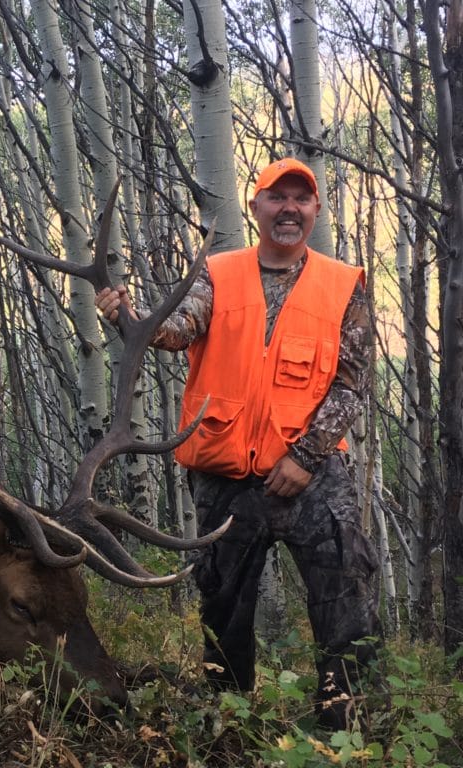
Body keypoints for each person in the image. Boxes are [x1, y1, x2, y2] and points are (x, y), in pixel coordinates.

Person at [96, 158, 382, 730]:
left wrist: (304, 458)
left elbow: (353, 384)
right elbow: (176, 330)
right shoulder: (217, 274)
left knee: (347, 597)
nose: (289, 209)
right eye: (278, 198)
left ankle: (345, 726)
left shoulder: (343, 284)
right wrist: (127, 317)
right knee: (223, 607)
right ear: (256, 207)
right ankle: (230, 726)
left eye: (302, 199)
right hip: (225, 473)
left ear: (315, 211)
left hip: (313, 473)